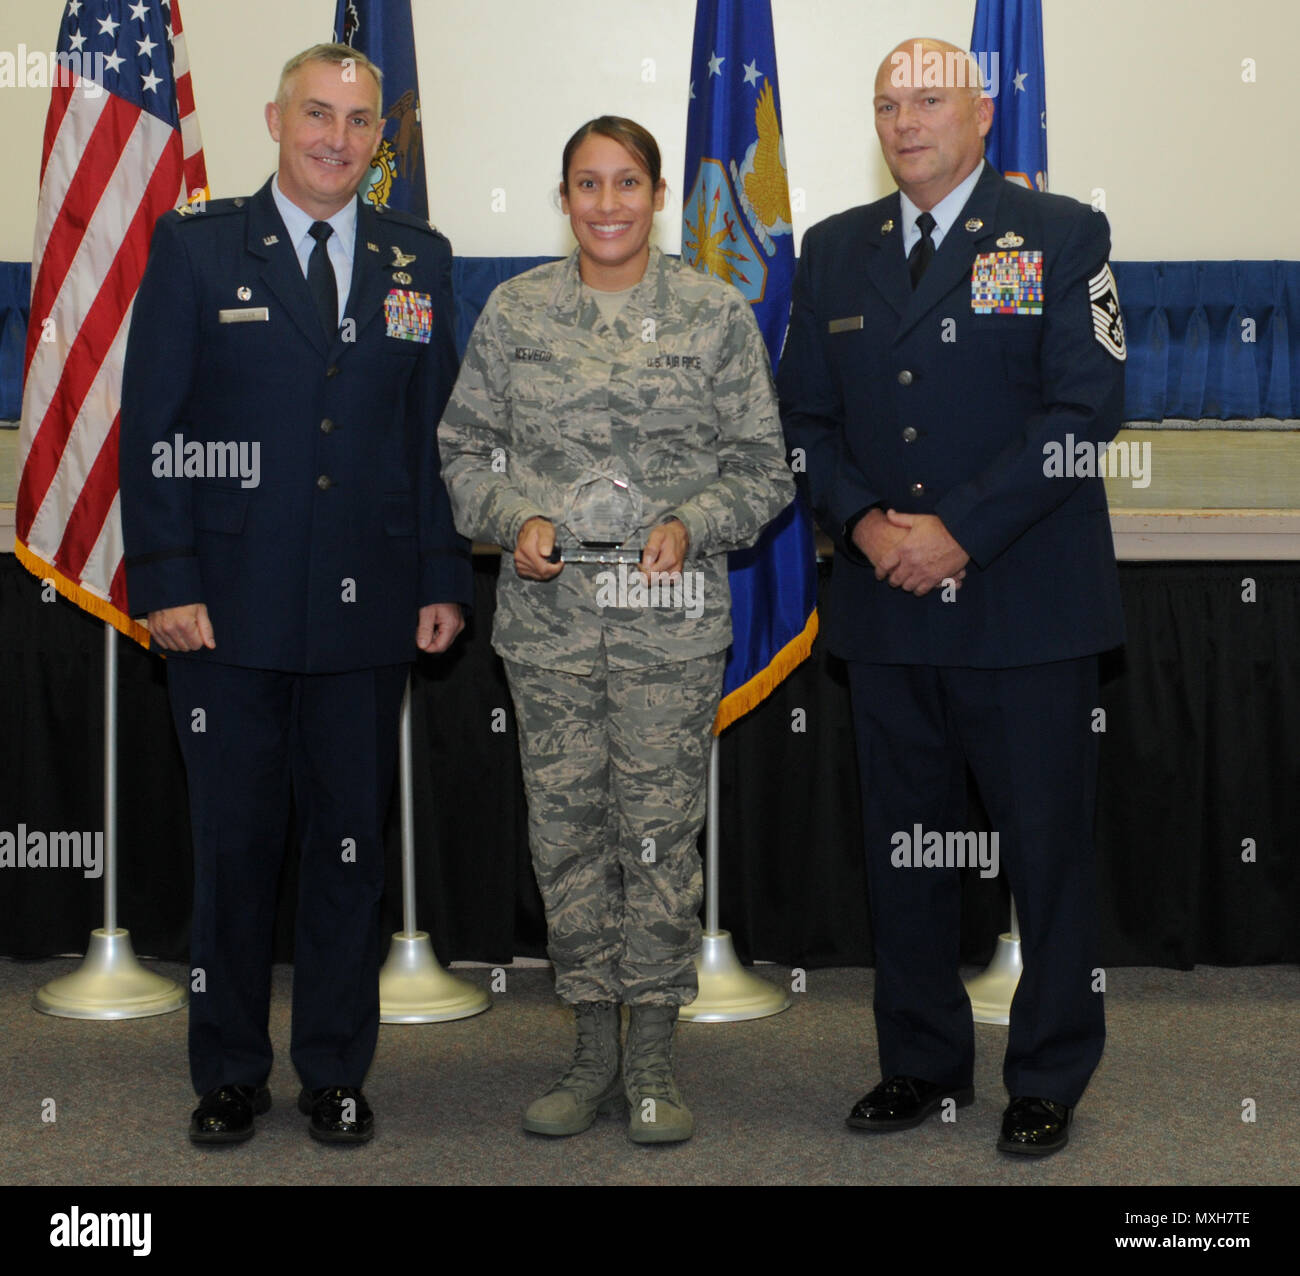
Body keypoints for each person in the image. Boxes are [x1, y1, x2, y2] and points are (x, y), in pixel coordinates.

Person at [778, 37, 1126, 1157]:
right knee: (907, 850)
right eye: (886, 103)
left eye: (928, 99)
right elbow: (803, 425)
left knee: (1044, 854)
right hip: (885, 604)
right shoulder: (832, 252)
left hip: (1024, 608)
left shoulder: (1063, 234)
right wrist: (872, 525)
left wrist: (959, 530)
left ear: (982, 111)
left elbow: (1086, 410)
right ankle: (921, 1063)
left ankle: (1047, 1073)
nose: (905, 120)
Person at [119, 43, 471, 1145]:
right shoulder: (197, 247)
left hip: (368, 617)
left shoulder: (419, 258)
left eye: (360, 122)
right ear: (276, 120)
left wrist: (440, 576)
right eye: (317, 115)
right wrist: (167, 580)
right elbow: (154, 432)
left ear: (380, 139)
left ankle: (332, 1067)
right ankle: (228, 1071)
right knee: (232, 850)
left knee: (348, 850)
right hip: (225, 612)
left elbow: (433, 438)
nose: (337, 138)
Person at [438, 116, 792, 1144]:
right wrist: (518, 523)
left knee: (656, 840)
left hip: (666, 632)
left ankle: (651, 1061)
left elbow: (763, 469)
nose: (606, 204)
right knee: (566, 841)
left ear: (657, 193)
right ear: (562, 198)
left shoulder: (712, 312)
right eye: (586, 185)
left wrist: (692, 523)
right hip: (548, 632)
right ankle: (589, 1047)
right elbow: (463, 456)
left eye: (626, 183)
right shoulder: (513, 314)